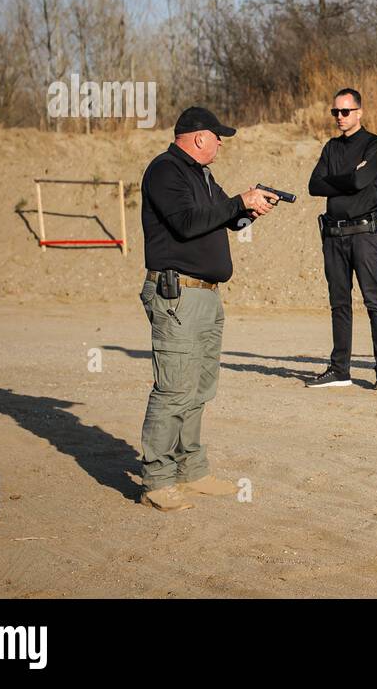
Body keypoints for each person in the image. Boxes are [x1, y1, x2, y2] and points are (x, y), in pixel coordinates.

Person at [138, 107, 279, 511]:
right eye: (218, 137)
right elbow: (185, 223)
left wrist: (246, 210)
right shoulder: (165, 170)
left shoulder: (202, 175)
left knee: (199, 387)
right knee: (174, 388)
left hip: (205, 294)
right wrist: (238, 201)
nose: (221, 143)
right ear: (199, 137)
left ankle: (191, 470)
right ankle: (157, 480)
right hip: (178, 293)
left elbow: (221, 218)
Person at [306, 88, 377, 391]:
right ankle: (340, 369)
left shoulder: (375, 145)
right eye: (335, 112)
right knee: (339, 303)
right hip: (333, 234)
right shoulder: (331, 147)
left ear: (359, 112)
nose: (339, 117)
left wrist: (338, 179)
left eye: (345, 111)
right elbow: (313, 185)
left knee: (374, 301)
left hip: (364, 234)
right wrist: (348, 178)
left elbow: (361, 180)